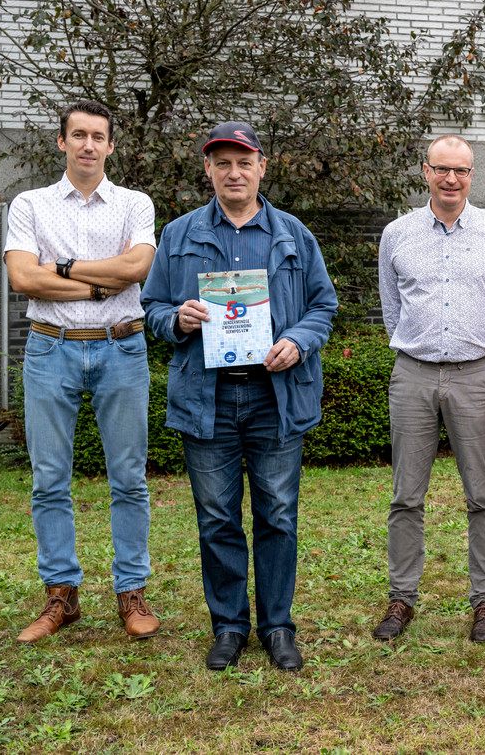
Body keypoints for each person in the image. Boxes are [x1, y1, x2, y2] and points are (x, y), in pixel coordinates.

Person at [141, 121, 338, 671]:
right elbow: (150, 307)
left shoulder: (293, 235)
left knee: (278, 514)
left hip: (274, 398)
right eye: (222, 163)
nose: (234, 172)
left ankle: (277, 626)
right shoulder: (179, 235)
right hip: (207, 400)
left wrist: (297, 342)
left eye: (243, 162)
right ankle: (228, 625)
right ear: (208, 169)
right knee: (217, 518)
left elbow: (324, 306)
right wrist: (176, 319)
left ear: (261, 168)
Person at [3, 100, 160, 644]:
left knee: (129, 479)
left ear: (111, 146)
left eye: (98, 136)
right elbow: (23, 278)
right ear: (62, 142)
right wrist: (100, 284)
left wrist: (63, 269)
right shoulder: (30, 204)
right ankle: (61, 596)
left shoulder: (135, 203)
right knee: (50, 479)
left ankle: (131, 593)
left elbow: (137, 268)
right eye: (79, 135)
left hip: (122, 349)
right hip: (51, 350)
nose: (88, 145)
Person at [374, 134, 485, 643]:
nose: (451, 179)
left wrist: (484, 362)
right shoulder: (397, 233)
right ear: (425, 172)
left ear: (471, 175)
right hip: (412, 374)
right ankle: (401, 599)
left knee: (482, 494)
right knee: (405, 496)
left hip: (473, 375)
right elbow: (391, 304)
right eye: (442, 169)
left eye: (461, 170)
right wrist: (417, 351)